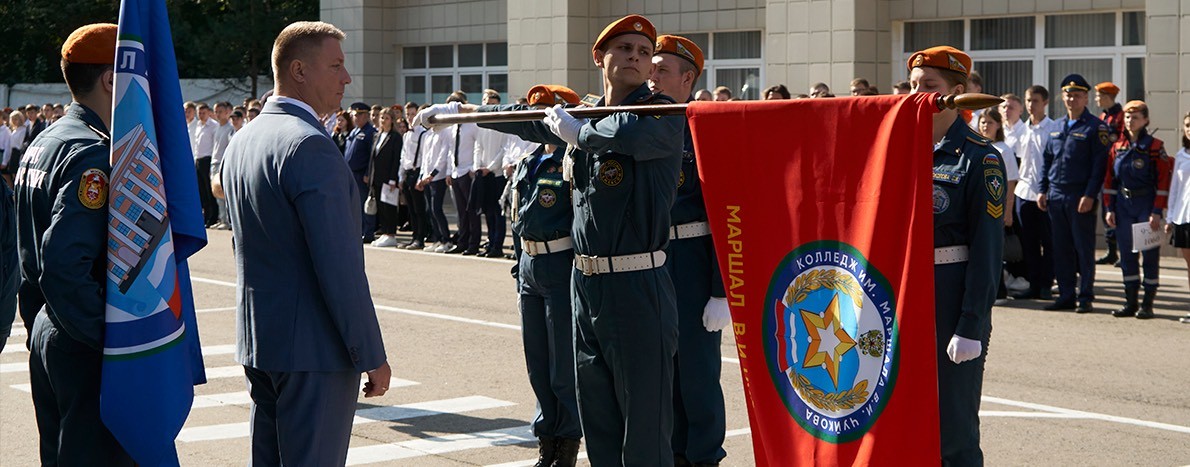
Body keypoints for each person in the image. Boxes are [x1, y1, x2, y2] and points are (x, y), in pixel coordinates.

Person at [415, 14, 684, 465]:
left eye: (643, 52)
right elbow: (526, 119)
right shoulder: (585, 112)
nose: (635, 58)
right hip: (585, 283)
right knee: (597, 414)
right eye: (624, 49)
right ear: (599, 57)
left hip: (638, 283)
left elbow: (629, 135)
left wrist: (580, 133)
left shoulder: (659, 111)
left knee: (643, 423)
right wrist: (463, 115)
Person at [220, 21, 391, 466]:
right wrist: (370, 353)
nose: (346, 78)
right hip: (314, 350)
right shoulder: (309, 145)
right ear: (299, 70)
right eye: (335, 66)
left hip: (261, 341)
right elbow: (339, 267)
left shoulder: (244, 139)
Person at [13, 23, 135, 465]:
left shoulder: (46, 140)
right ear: (110, 80)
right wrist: (113, 344)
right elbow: (64, 265)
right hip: (83, 340)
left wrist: (39, 325)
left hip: (51, 327)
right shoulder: (93, 153)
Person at [908, 45, 1004, 466]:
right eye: (912, 85)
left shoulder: (980, 157)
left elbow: (988, 250)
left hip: (949, 296)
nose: (917, 94)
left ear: (956, 93)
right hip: (904, 296)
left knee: (954, 427)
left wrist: (970, 323)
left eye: (928, 85)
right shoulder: (901, 146)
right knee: (906, 417)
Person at [649, 34, 731, 467]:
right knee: (663, 371)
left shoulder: (704, 130)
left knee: (697, 372)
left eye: (662, 69)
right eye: (651, 68)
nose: (652, 76)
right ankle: (676, 454)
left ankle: (703, 457)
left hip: (692, 260)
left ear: (687, 79)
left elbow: (725, 210)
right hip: (650, 258)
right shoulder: (640, 122)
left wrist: (720, 289)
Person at [493, 84, 583, 466]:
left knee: (564, 366)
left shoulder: (574, 159)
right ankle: (546, 439)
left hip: (561, 265)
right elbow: (518, 220)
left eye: (545, 113)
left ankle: (567, 443)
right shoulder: (529, 162)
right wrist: (519, 273)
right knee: (538, 364)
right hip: (530, 266)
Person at [1038, 74, 1111, 313]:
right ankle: (1066, 295)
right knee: (1061, 248)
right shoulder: (1056, 126)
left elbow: (1099, 166)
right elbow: (1047, 160)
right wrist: (1042, 190)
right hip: (1056, 195)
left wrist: (1090, 195)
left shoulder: (1096, 127)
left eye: (1077, 95)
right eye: (1068, 95)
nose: (1072, 99)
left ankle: (1085, 296)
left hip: (1080, 196)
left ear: (1086, 98)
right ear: (1062, 97)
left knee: (1083, 248)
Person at [1102, 100, 1170, 319]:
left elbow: (1163, 181)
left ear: (1146, 120)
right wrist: (1109, 208)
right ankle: (1130, 302)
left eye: (1136, 117)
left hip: (1146, 205)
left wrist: (1157, 211)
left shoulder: (1155, 146)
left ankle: (1147, 304)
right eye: (1128, 117)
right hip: (1123, 206)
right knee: (1127, 255)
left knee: (1149, 255)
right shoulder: (1117, 146)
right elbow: (1110, 180)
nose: (1131, 121)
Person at [1011, 85, 1057, 300]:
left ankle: (1047, 284)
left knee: (1048, 242)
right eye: (1028, 100)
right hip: (1023, 192)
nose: (1031, 105)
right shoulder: (1022, 129)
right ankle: (1034, 283)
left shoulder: (1052, 129)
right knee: (1028, 242)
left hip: (1044, 193)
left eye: (1035, 101)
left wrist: (1046, 189)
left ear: (1045, 102)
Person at [978, 109, 1021, 306]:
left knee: (996, 253)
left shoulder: (1004, 150)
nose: (986, 126)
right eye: (983, 122)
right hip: (979, 207)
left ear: (998, 126)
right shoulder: (977, 147)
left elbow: (1011, 183)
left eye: (990, 122)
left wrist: (1008, 210)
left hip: (996, 208)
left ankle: (1000, 292)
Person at [473, 89, 512, 258]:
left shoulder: (502, 123)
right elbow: (478, 147)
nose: (488, 106)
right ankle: (490, 243)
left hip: (497, 174)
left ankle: (497, 245)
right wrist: (478, 166)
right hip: (484, 173)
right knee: (487, 211)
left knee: (498, 212)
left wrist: (490, 167)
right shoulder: (481, 124)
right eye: (486, 103)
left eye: (492, 104)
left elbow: (504, 149)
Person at [442, 91, 481, 255]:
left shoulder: (472, 124)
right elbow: (451, 150)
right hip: (456, 172)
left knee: (472, 211)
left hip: (468, 171)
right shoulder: (451, 127)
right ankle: (462, 241)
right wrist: (449, 171)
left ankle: (474, 243)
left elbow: (478, 146)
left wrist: (473, 168)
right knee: (461, 211)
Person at [1164, 112, 1190, 324]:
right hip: (1184, 217)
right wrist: (1170, 217)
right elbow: (1175, 189)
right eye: (1187, 125)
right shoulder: (1181, 155)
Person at [1096, 82, 1125, 265]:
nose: (1096, 99)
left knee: (1118, 211)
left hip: (1116, 169)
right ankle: (1111, 251)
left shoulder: (1121, 116)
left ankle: (1125, 252)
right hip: (1104, 168)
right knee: (1106, 210)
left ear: (1107, 96)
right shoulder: (1103, 116)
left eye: (1099, 95)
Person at [370, 106, 403, 247]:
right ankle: (384, 232)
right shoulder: (377, 135)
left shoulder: (395, 137)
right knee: (381, 207)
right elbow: (372, 158)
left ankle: (391, 234)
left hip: (388, 178)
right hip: (377, 177)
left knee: (389, 207)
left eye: (387, 118)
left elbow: (396, 159)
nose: (383, 120)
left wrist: (393, 179)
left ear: (392, 120)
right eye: (382, 117)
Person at [399, 102, 430, 250]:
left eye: (413, 114)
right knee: (411, 209)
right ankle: (414, 236)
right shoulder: (407, 134)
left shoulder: (423, 133)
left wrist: (420, 178)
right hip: (407, 172)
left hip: (417, 172)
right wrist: (401, 177)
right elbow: (403, 157)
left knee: (419, 209)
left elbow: (424, 157)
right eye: (408, 114)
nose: (410, 117)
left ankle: (420, 238)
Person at [345, 101, 377, 243]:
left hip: (361, 174)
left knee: (365, 204)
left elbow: (372, 155)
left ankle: (368, 232)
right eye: (354, 115)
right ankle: (358, 230)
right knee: (354, 204)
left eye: (359, 115)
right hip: (351, 173)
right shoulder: (354, 131)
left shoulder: (370, 132)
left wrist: (368, 173)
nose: (355, 118)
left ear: (366, 116)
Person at [194, 103, 220, 227]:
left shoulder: (213, 126)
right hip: (198, 159)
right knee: (202, 191)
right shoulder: (198, 125)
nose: (201, 115)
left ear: (208, 113)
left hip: (208, 159)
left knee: (209, 190)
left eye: (203, 113)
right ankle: (205, 216)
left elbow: (215, 144)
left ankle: (213, 217)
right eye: (199, 113)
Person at [210, 101, 235, 230]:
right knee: (216, 193)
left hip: (222, 163)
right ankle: (222, 218)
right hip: (214, 162)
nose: (218, 114)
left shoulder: (230, 129)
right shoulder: (217, 128)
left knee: (223, 193)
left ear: (226, 112)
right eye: (216, 112)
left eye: (220, 112)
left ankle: (228, 220)